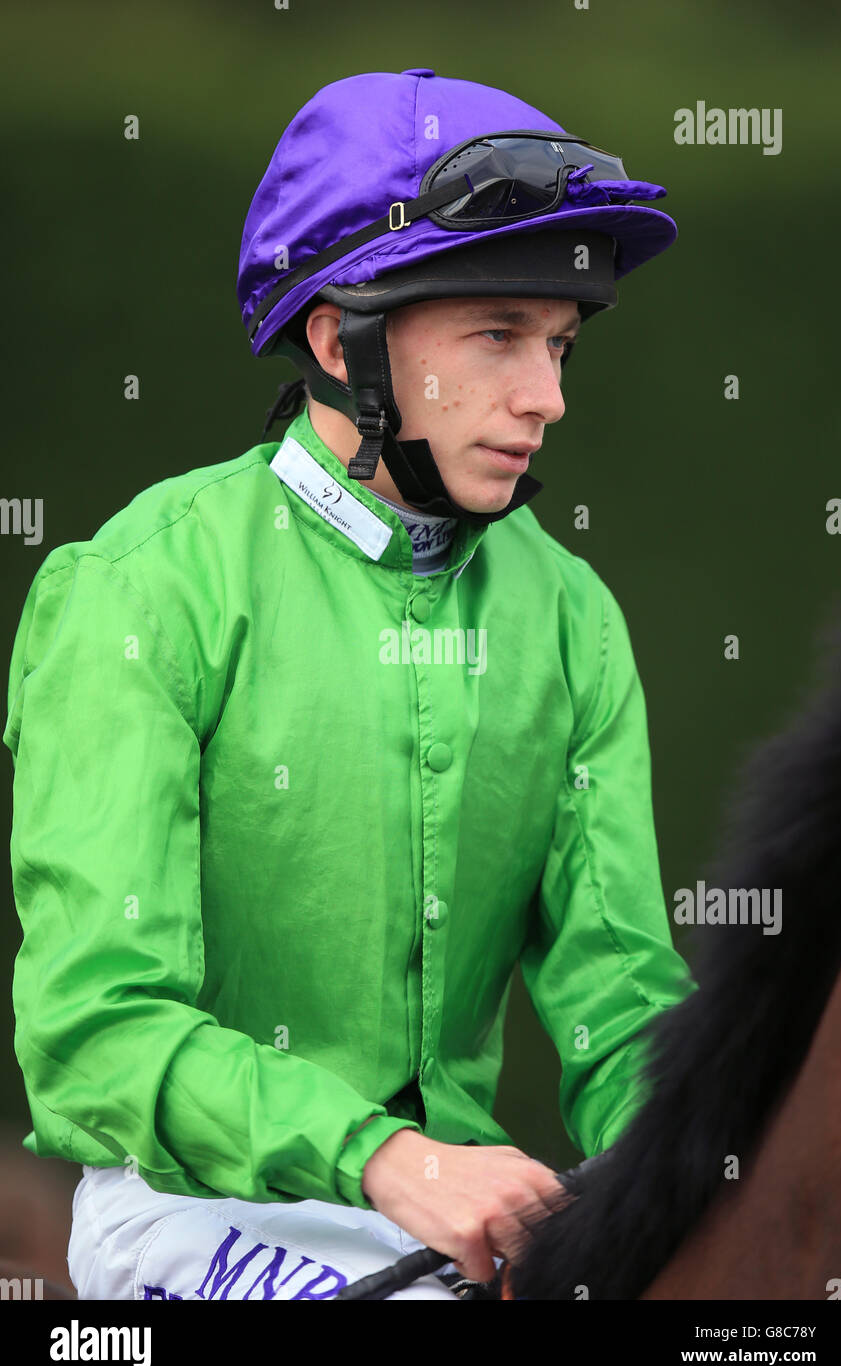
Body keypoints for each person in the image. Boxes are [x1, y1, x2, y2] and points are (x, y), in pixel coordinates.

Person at [3, 67, 697, 1301]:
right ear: (342, 340)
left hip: (461, 1220)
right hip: (183, 1208)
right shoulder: (138, 590)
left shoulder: (572, 617)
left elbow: (623, 1000)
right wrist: (384, 1158)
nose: (544, 397)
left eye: (557, 344)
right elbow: (93, 1035)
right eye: (496, 336)